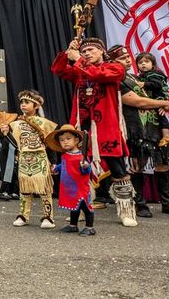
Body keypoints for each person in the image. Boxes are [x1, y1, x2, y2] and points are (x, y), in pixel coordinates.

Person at [51, 37, 154, 227]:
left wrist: (78, 59)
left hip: (106, 130)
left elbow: (98, 75)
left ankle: (126, 211)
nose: (87, 53)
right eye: (84, 51)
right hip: (82, 130)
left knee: (119, 171)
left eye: (91, 50)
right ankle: (79, 209)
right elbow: (58, 69)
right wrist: (68, 52)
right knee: (78, 171)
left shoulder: (115, 68)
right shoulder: (80, 71)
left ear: (101, 52)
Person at [111, 47, 169, 217]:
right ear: (113, 62)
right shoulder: (117, 79)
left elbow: (158, 90)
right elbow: (137, 102)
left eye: (128, 57)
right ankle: (140, 204)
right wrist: (163, 103)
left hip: (156, 126)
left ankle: (168, 203)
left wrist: (163, 102)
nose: (128, 61)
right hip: (136, 128)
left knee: (162, 163)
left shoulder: (139, 77)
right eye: (122, 58)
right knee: (138, 166)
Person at [0, 90, 57, 228]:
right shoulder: (15, 123)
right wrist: (5, 134)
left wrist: (53, 162)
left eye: (27, 102)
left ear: (36, 106)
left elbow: (51, 145)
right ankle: (24, 215)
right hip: (23, 158)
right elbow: (13, 145)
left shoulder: (45, 123)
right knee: (24, 189)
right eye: (21, 102)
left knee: (44, 189)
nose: (23, 105)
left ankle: (48, 217)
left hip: (40, 158)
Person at [46, 124, 104, 236]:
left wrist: (85, 167)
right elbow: (63, 165)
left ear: (76, 140)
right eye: (62, 140)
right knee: (74, 206)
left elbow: (86, 172)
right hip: (69, 188)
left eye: (68, 138)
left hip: (80, 187)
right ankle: (73, 225)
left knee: (85, 206)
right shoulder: (65, 155)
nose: (65, 142)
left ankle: (90, 227)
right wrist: (55, 168)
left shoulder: (81, 157)